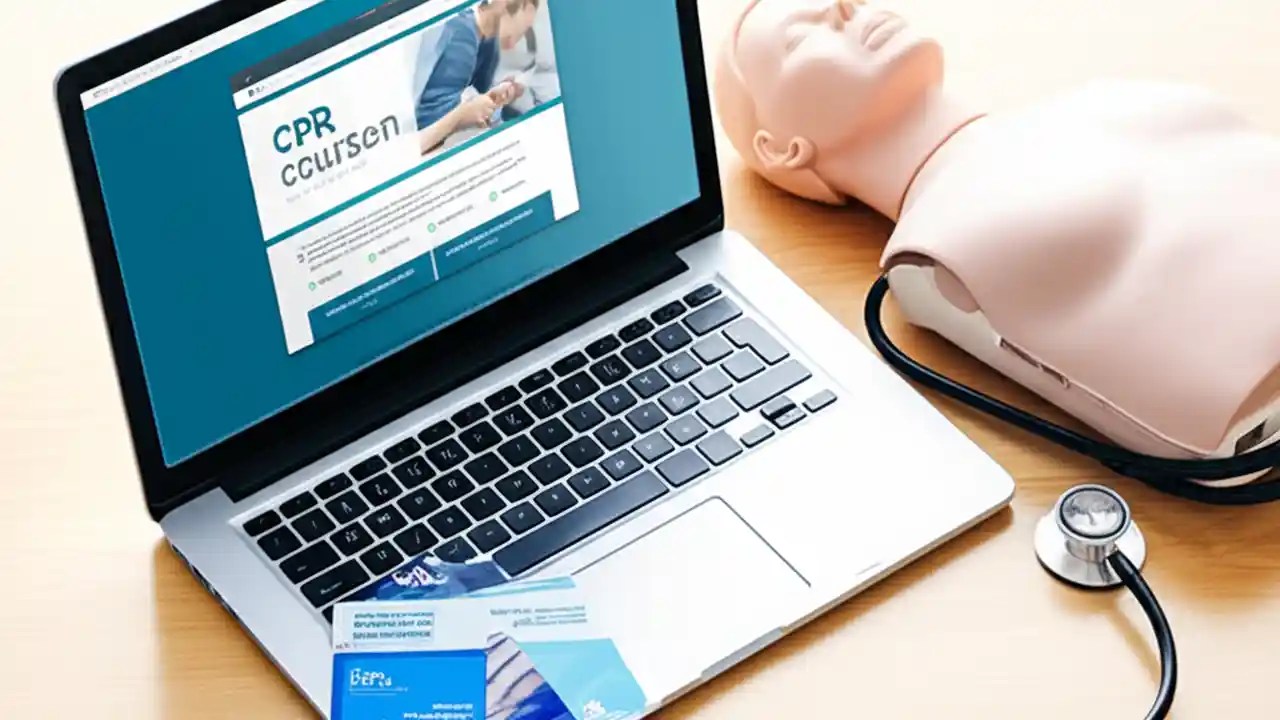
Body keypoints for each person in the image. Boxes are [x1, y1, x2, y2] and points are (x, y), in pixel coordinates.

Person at [414, 0, 542, 154]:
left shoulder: (486, 44)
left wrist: (496, 100)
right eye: (523, 29)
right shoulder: (457, 32)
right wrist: (466, 113)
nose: (516, 41)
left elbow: (478, 98)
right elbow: (427, 121)